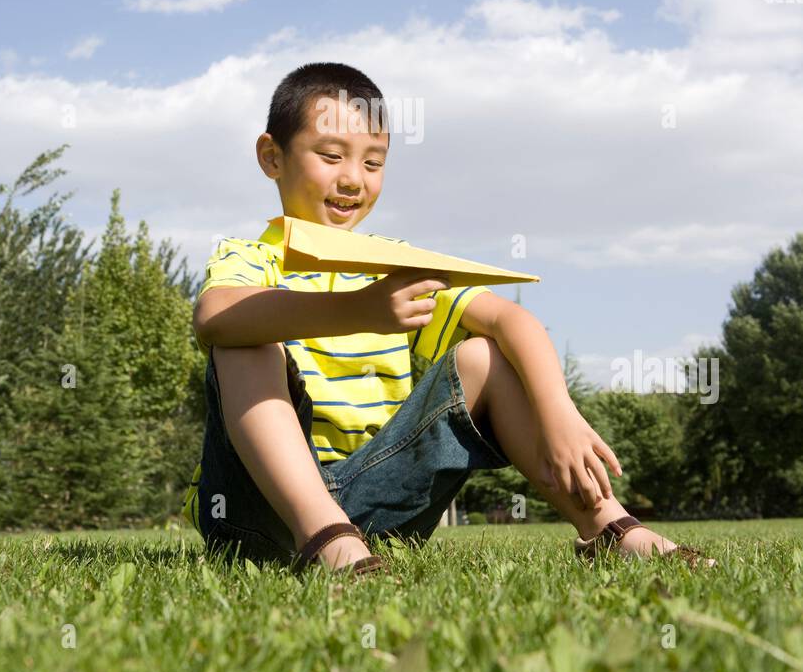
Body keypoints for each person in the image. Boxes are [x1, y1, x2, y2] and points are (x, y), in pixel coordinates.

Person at [182, 61, 716, 574]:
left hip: (375, 507)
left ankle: (609, 528)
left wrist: (559, 415)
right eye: (330, 155)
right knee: (247, 331)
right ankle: (325, 538)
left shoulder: (393, 267)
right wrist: (361, 311)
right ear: (272, 157)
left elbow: (513, 321)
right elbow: (214, 319)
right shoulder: (248, 259)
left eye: (372, 163)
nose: (353, 179)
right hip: (256, 517)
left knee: (483, 353)